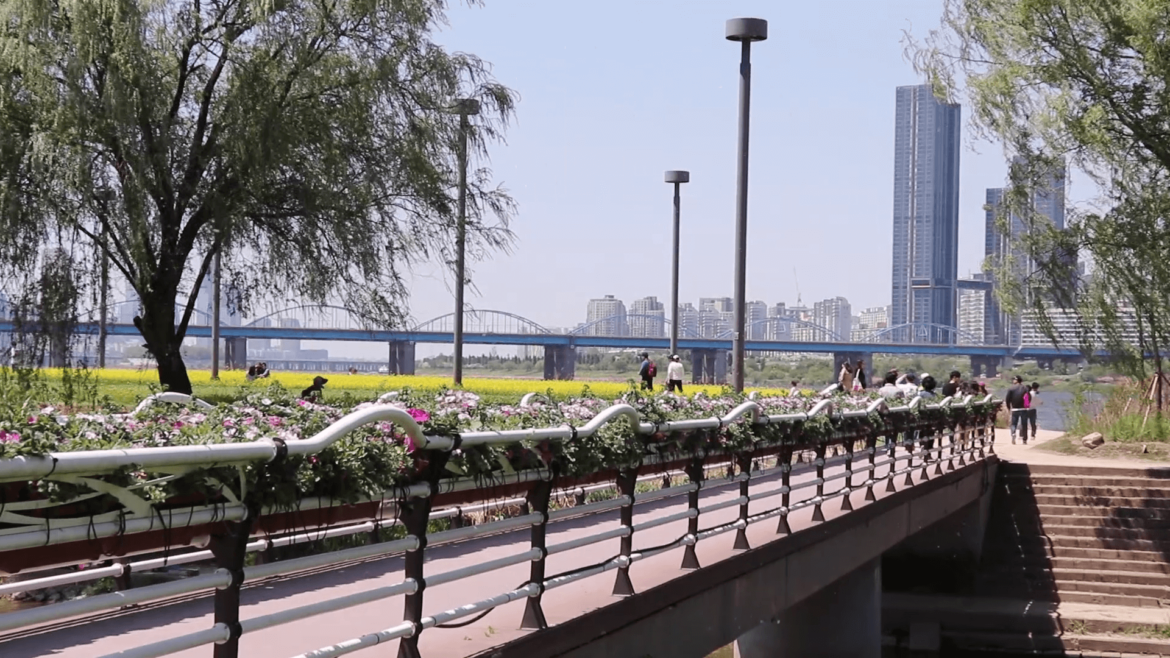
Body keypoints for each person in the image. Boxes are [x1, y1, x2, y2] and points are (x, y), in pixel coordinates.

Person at [1005, 375, 1029, 444]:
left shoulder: (1011, 388)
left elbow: (1007, 399)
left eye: (1014, 379)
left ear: (1017, 380)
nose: (1013, 381)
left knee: (1013, 424)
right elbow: (1028, 398)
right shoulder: (1025, 388)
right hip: (1023, 408)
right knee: (1024, 424)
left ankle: (1013, 433)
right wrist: (1027, 406)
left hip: (1015, 409)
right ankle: (1024, 439)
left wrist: (1009, 408)